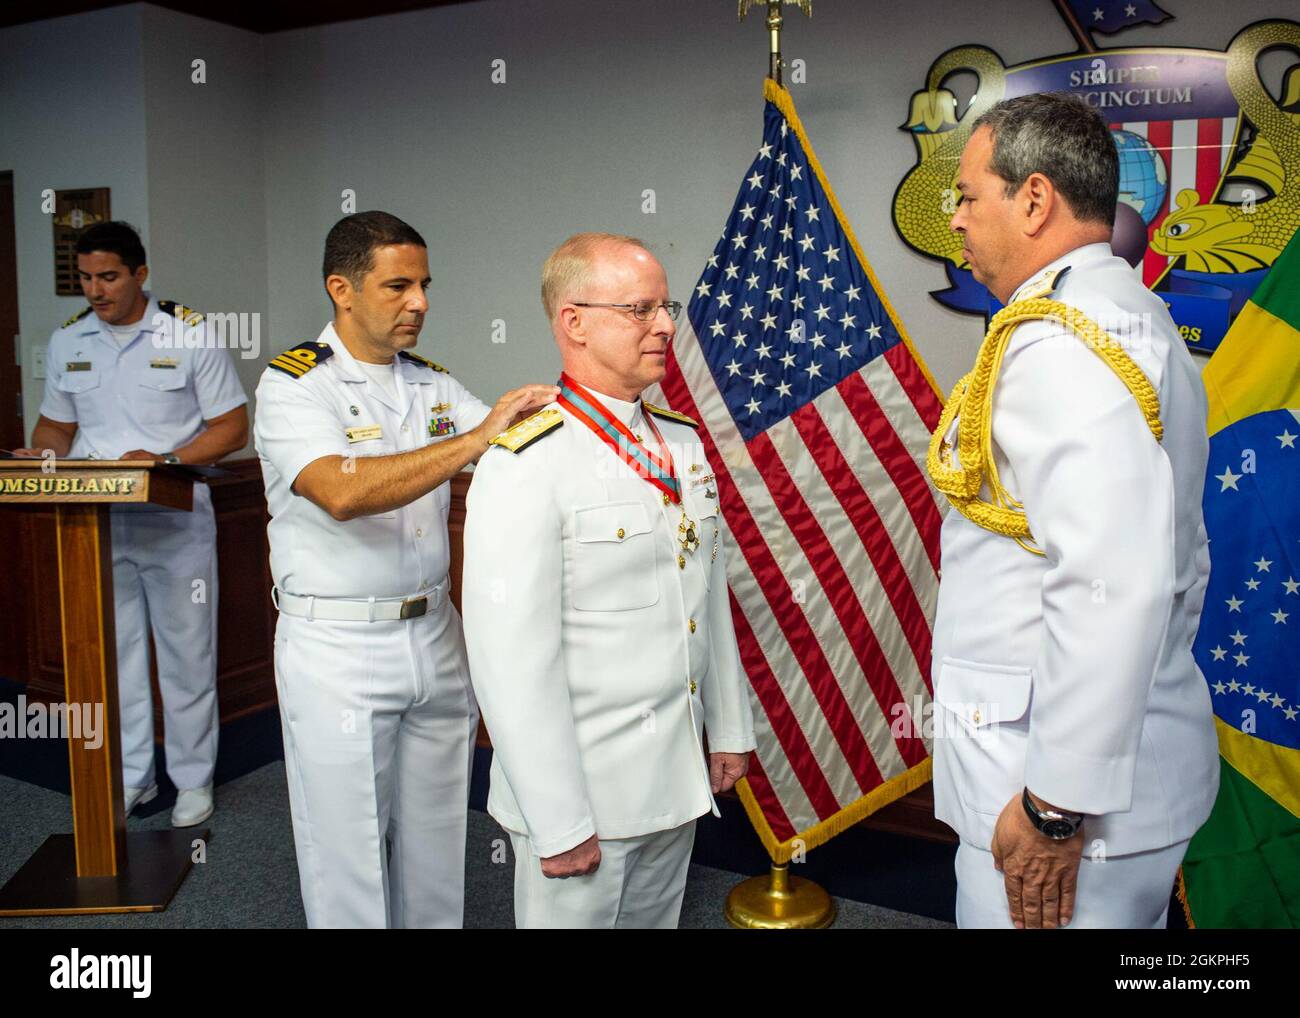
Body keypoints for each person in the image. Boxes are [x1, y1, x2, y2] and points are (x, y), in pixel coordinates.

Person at [927, 92, 1219, 929]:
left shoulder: (1061, 340)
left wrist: (1056, 805)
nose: (956, 221)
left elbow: (1109, 580)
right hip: (1103, 771)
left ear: (1034, 198)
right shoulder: (1129, 311)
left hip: (1057, 793)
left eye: (968, 195)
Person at [253, 211, 555, 928]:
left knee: (437, 840)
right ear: (343, 289)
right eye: (398, 285)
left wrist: (595, 415)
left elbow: (516, 446)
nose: (420, 301)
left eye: (423, 284)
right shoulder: (295, 385)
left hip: (436, 633)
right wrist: (478, 438)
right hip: (339, 646)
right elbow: (344, 491)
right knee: (347, 855)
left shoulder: (430, 384)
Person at [460, 232, 756, 929]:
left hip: (672, 778)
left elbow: (708, 597)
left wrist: (729, 728)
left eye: (666, 307)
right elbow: (509, 661)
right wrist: (558, 819)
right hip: (583, 795)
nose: (664, 326)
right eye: (639, 309)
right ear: (574, 323)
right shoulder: (528, 457)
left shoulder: (678, 441)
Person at [16, 220, 248, 828]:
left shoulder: (191, 334)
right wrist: (41, 454)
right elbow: (55, 429)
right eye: (86, 278)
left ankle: (194, 780)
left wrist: (166, 459)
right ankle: (131, 778)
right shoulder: (70, 342)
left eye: (109, 276)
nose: (96, 289)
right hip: (94, 524)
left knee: (186, 655)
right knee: (112, 658)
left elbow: (231, 427)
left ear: (140, 274)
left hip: (173, 518)